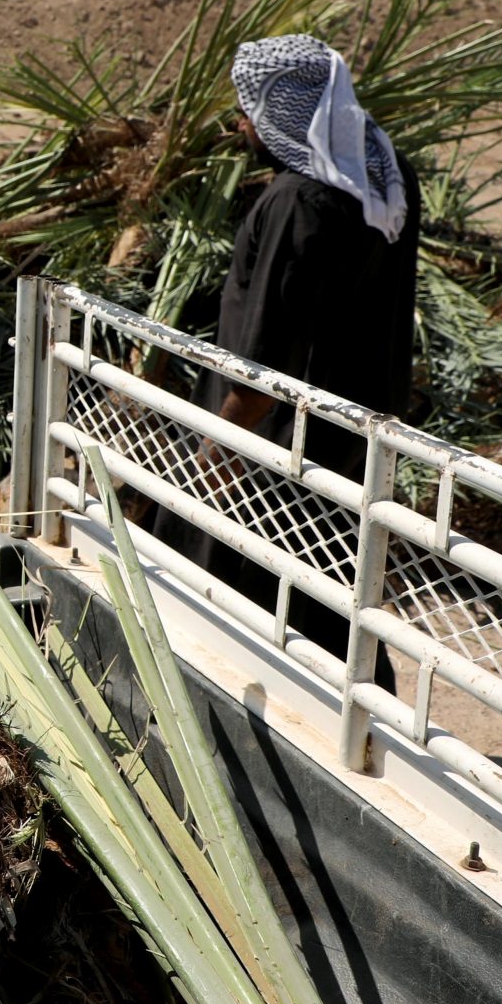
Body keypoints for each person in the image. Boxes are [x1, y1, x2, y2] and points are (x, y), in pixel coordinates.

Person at [169, 33, 420, 660]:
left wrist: (222, 443)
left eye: (250, 107)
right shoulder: (386, 177)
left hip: (280, 442)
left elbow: (267, 358)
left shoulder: (299, 201)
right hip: (356, 433)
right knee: (333, 591)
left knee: (250, 596)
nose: (241, 122)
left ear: (282, 111)